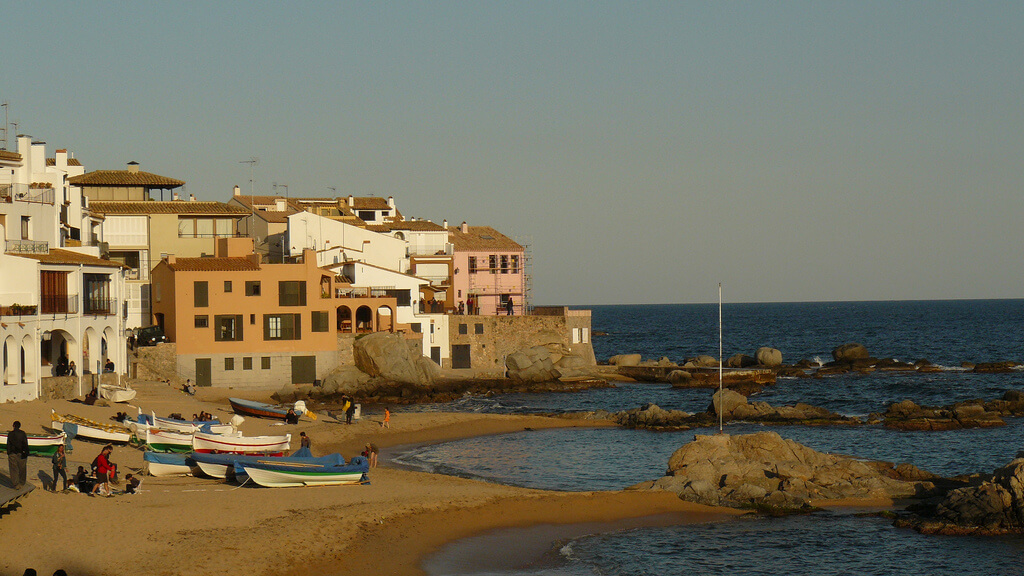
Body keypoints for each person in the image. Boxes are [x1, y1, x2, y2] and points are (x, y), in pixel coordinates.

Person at [6, 421, 29, 489]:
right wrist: (26, 453)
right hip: (22, 453)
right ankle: (21, 482)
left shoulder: (10, 434)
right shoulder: (22, 433)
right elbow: (25, 444)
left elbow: (8, 444)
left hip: (12, 453)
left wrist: (9, 452)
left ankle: (16, 484)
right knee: (22, 468)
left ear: (13, 426)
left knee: (13, 469)